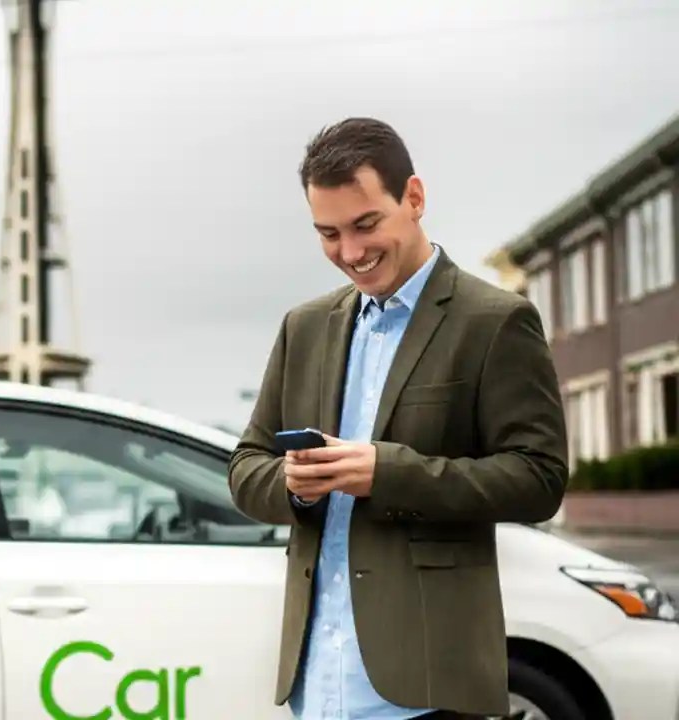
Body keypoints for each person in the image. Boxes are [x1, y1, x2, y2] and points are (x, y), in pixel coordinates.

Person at [228, 117, 568, 720]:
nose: (351, 253)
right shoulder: (302, 328)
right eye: (328, 233)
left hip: (427, 686)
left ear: (414, 197)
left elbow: (539, 479)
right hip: (316, 681)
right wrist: (291, 484)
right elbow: (245, 466)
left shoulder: (495, 321)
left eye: (365, 225)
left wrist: (386, 472)